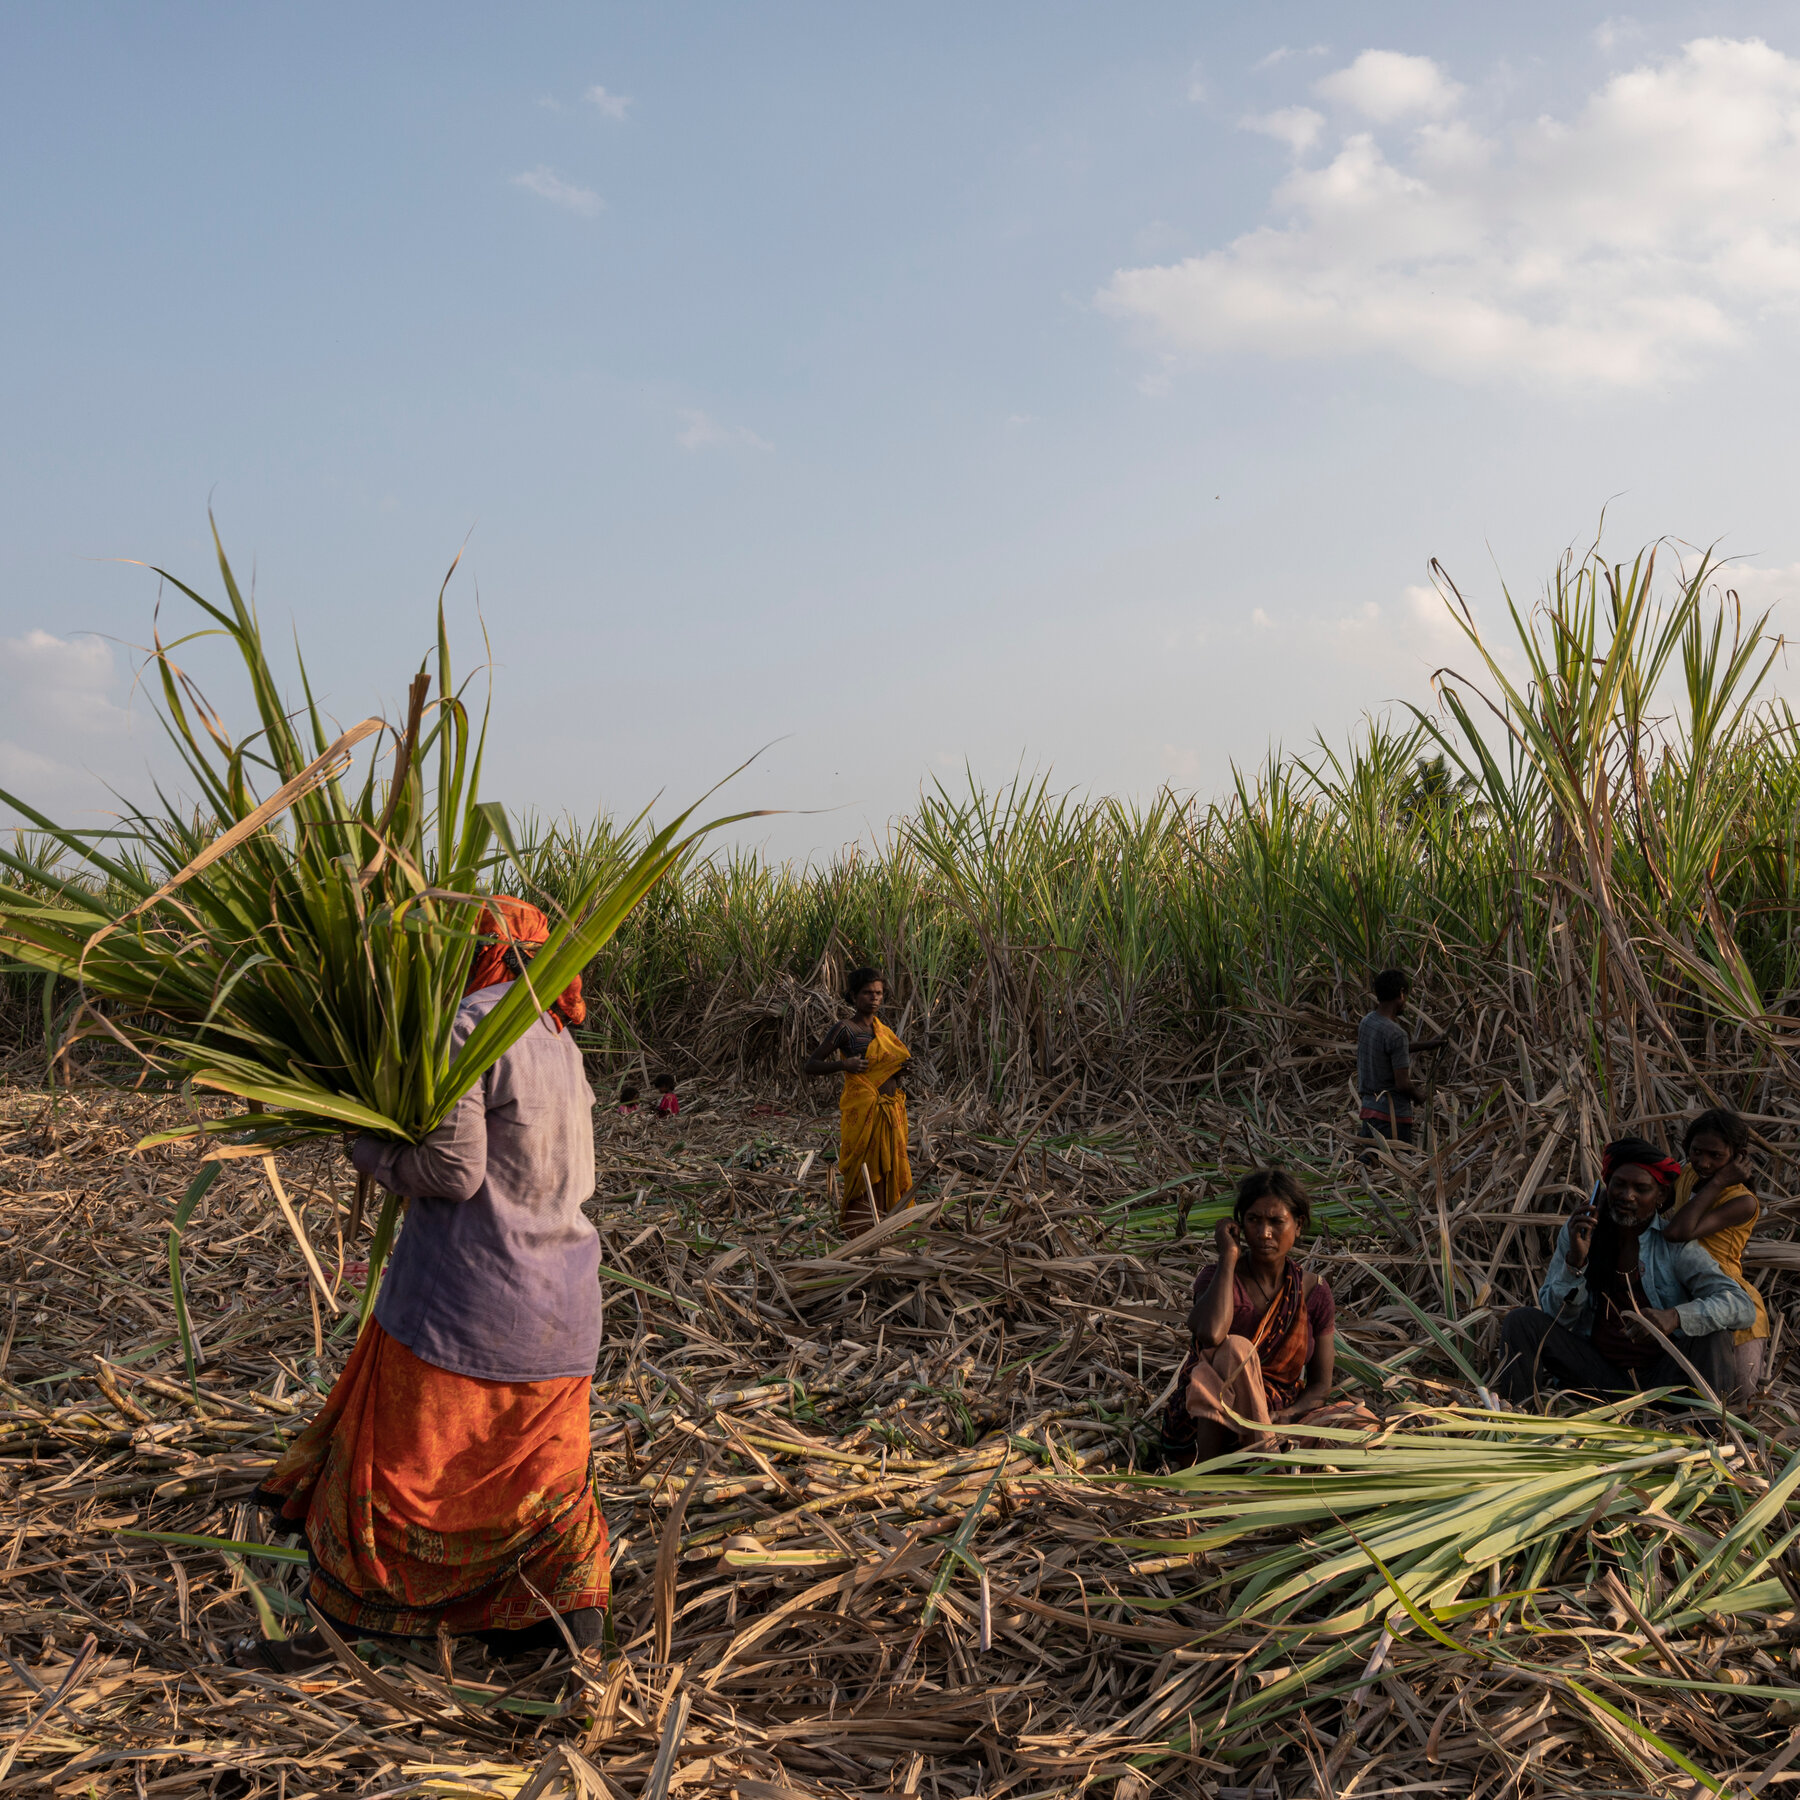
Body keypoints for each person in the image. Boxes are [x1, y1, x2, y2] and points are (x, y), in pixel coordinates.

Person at [241, 896, 608, 1671]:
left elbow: (451, 1169)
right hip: (566, 1308)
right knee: (547, 1489)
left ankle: (345, 1643)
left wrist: (362, 1142)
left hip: (463, 1305)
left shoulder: (470, 1024)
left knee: (394, 1483)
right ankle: (577, 1652)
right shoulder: (555, 1035)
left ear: (464, 950)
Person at [1494, 1137, 1753, 1409]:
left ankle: (1710, 1431)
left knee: (1716, 1333)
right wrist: (1576, 1262)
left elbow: (1741, 1305)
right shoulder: (1581, 1233)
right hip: (1598, 1377)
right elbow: (1555, 1315)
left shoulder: (1675, 1247)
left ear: (1661, 1196)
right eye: (1619, 1185)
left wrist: (1675, 1317)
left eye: (1641, 1189)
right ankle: (1518, 1417)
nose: (1627, 1196)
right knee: (1521, 1321)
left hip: (1664, 1383)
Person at [1161, 1169, 1371, 1466]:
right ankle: (1264, 1464)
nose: (1264, 1233)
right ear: (1239, 1225)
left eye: (1276, 1222)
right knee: (1235, 1350)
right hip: (1215, 1423)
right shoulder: (1218, 1279)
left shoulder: (1314, 1293)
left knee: (1361, 1422)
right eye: (1254, 1220)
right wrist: (1228, 1257)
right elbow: (1210, 1334)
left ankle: (1269, 1454)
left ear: (1298, 1226)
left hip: (1280, 1418)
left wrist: (1284, 1416)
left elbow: (1320, 1386)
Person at [1663, 1108, 1767, 1402]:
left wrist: (1719, 1182)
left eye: (1715, 1156)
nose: (1704, 1162)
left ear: (1738, 1156)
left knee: (1739, 1398)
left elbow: (1678, 1231)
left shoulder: (1742, 1201)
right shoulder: (1686, 1174)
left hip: (1730, 1297)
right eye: (1697, 1151)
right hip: (1688, 1285)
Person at [803, 966, 911, 1234]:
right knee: (865, 1168)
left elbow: (883, 1066)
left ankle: (890, 1224)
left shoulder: (882, 1031)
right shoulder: (845, 1029)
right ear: (853, 995)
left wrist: (900, 1070)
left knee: (889, 1167)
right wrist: (845, 1065)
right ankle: (860, 1229)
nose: (874, 998)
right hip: (864, 1112)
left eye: (878, 993)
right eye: (867, 993)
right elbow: (811, 1064)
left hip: (889, 1112)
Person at [1356, 969, 1443, 1146]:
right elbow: (1402, 1084)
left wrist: (1427, 1045)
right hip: (1392, 1119)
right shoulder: (1396, 1034)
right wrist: (1419, 1096)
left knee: (1369, 1168)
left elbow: (1389, 1049)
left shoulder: (1367, 1022)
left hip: (1369, 1113)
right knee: (1398, 1169)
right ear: (1401, 994)